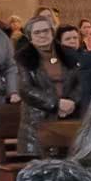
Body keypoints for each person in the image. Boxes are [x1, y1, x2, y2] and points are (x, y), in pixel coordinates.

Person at [18, 14, 83, 156]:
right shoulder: (22, 58)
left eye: (46, 31)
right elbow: (25, 89)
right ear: (30, 36)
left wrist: (72, 101)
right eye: (37, 32)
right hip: (38, 120)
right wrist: (56, 103)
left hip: (69, 116)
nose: (42, 35)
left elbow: (81, 82)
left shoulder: (69, 54)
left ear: (52, 33)